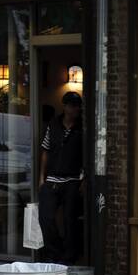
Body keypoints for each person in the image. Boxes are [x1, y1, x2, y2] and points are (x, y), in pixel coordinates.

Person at [38, 91, 85, 265]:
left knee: (69, 219)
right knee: (46, 217)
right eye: (72, 105)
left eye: (78, 105)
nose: (76, 109)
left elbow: (87, 156)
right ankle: (53, 252)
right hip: (52, 179)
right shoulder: (53, 125)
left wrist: (83, 179)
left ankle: (69, 256)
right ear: (65, 107)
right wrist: (41, 179)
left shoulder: (81, 128)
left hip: (72, 179)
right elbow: (46, 151)